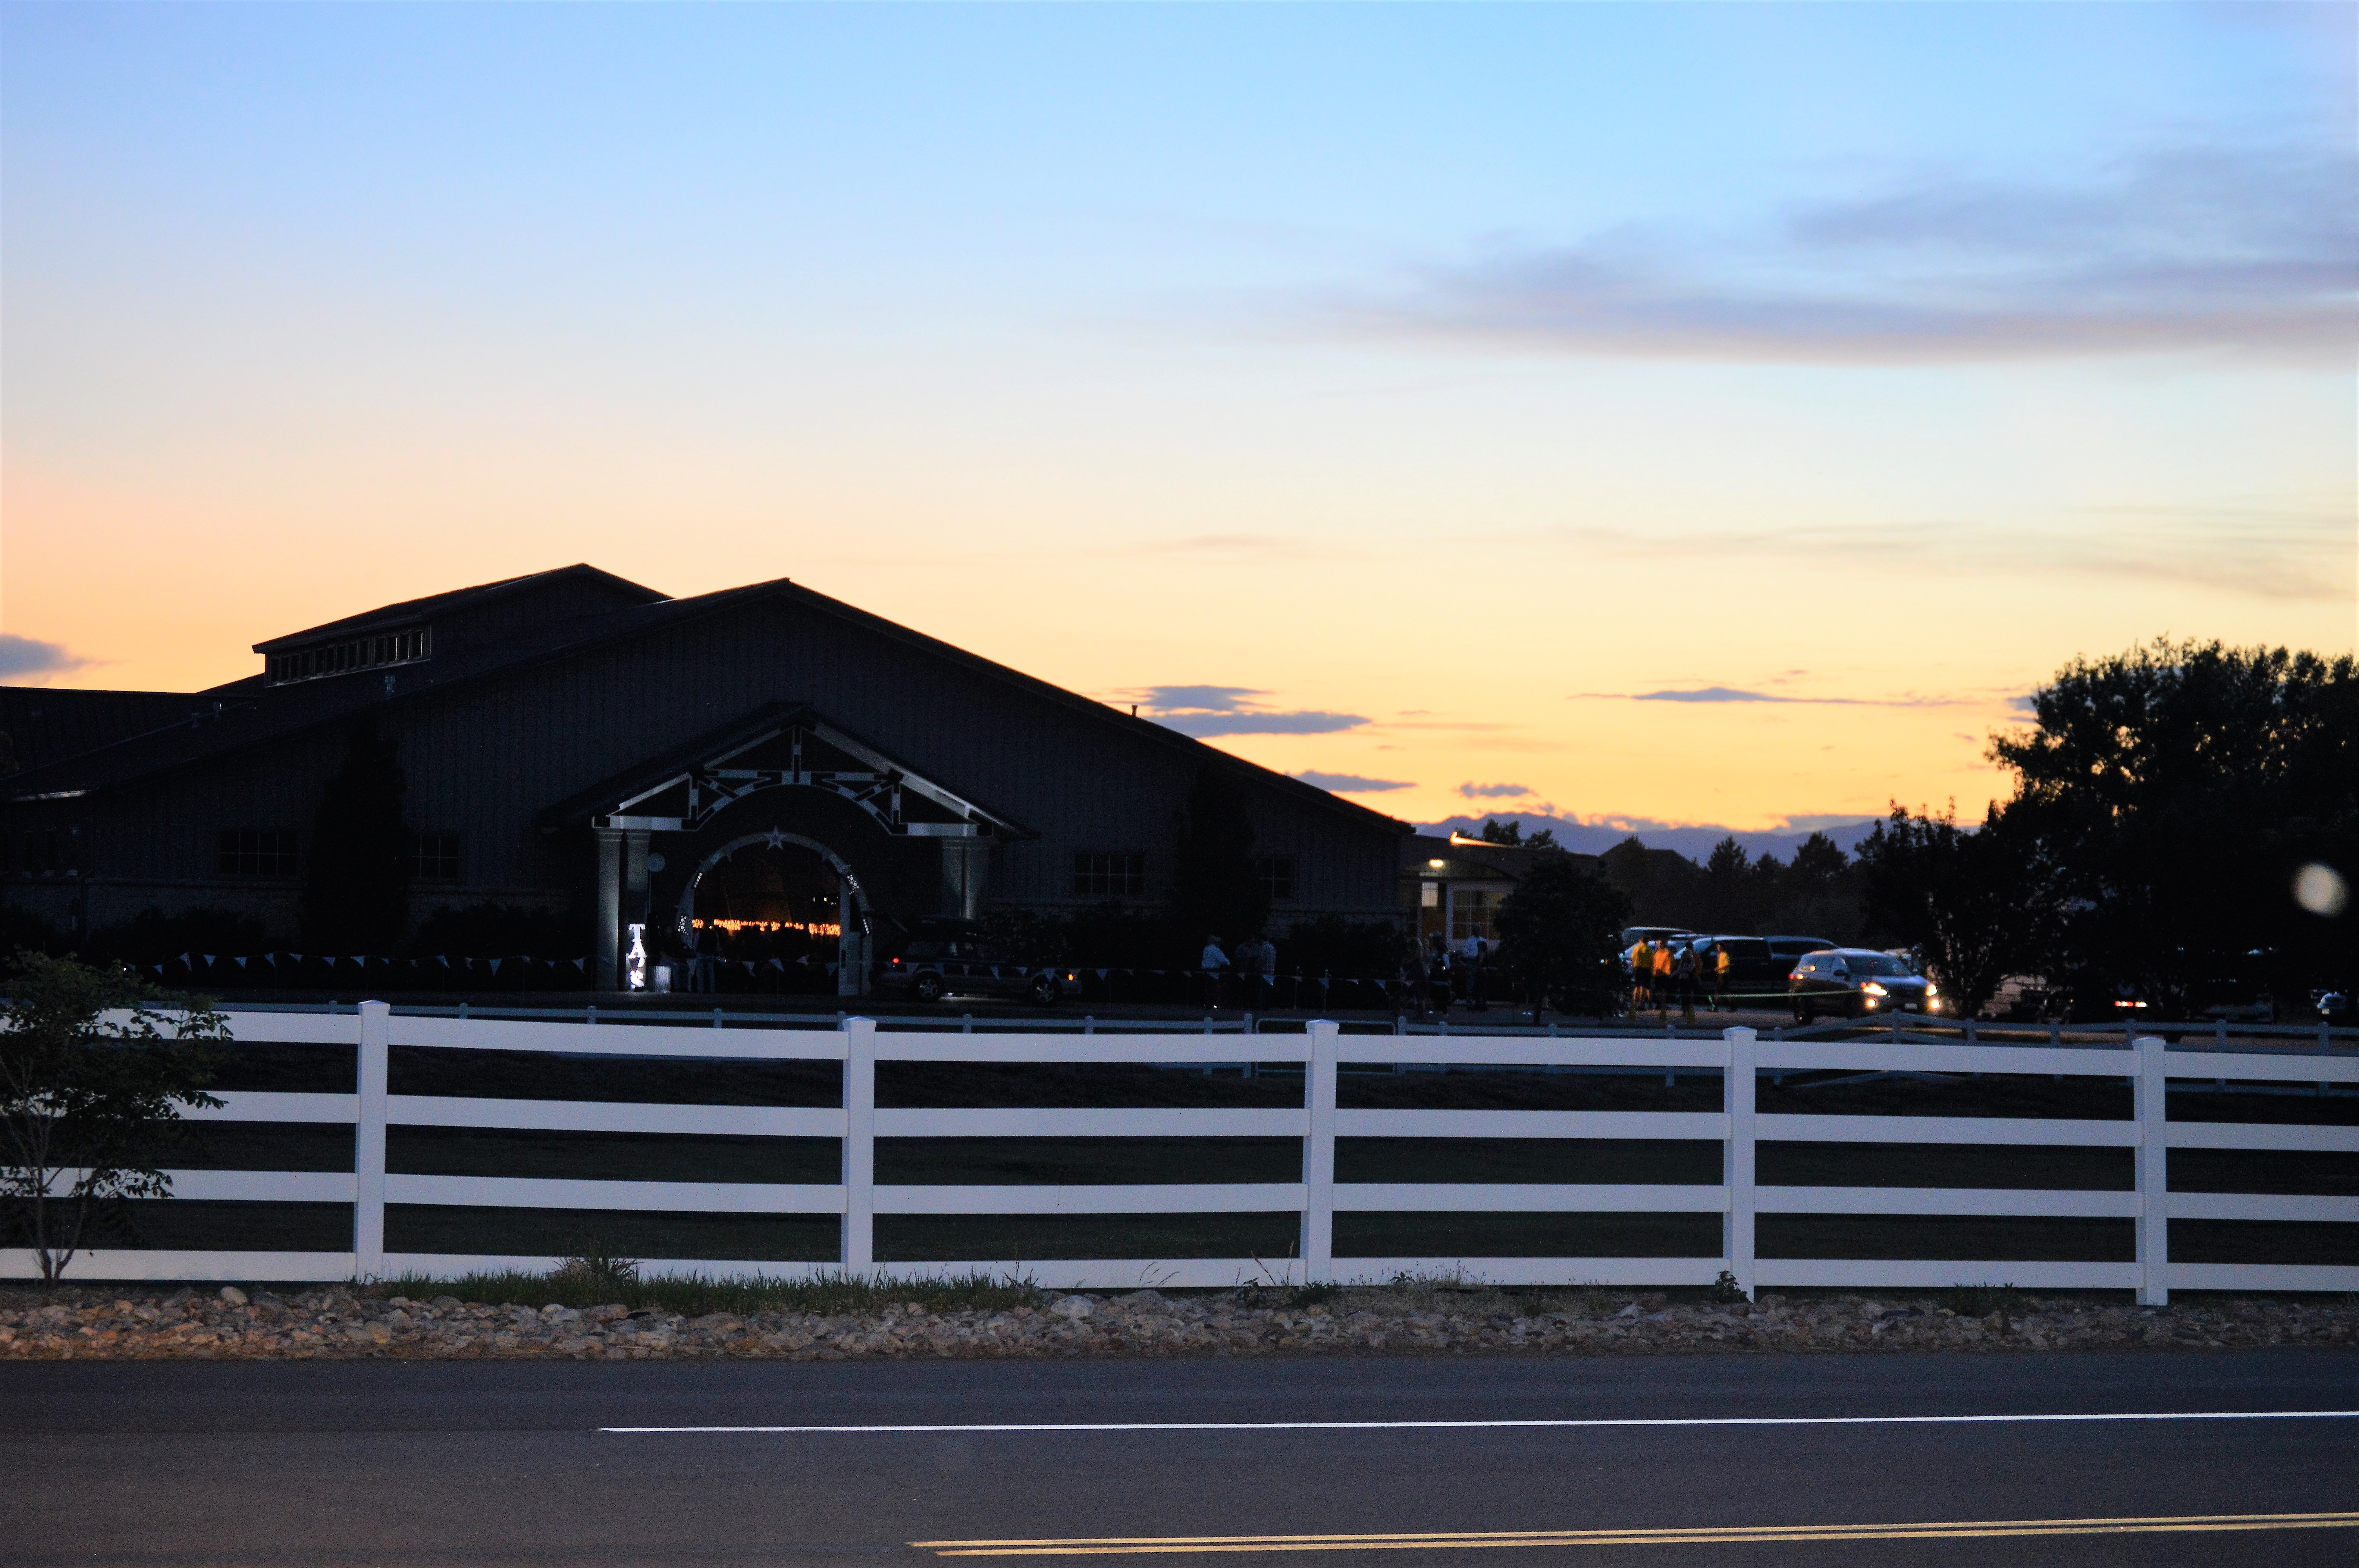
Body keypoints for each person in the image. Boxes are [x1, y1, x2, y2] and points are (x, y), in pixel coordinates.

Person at [1200, 935, 1228, 1009]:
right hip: (1213, 973)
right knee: (1215, 990)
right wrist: (1229, 965)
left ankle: (1207, 1005)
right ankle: (1215, 1006)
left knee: (1208, 990)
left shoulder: (1206, 949)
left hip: (1206, 972)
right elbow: (1224, 960)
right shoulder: (1216, 950)